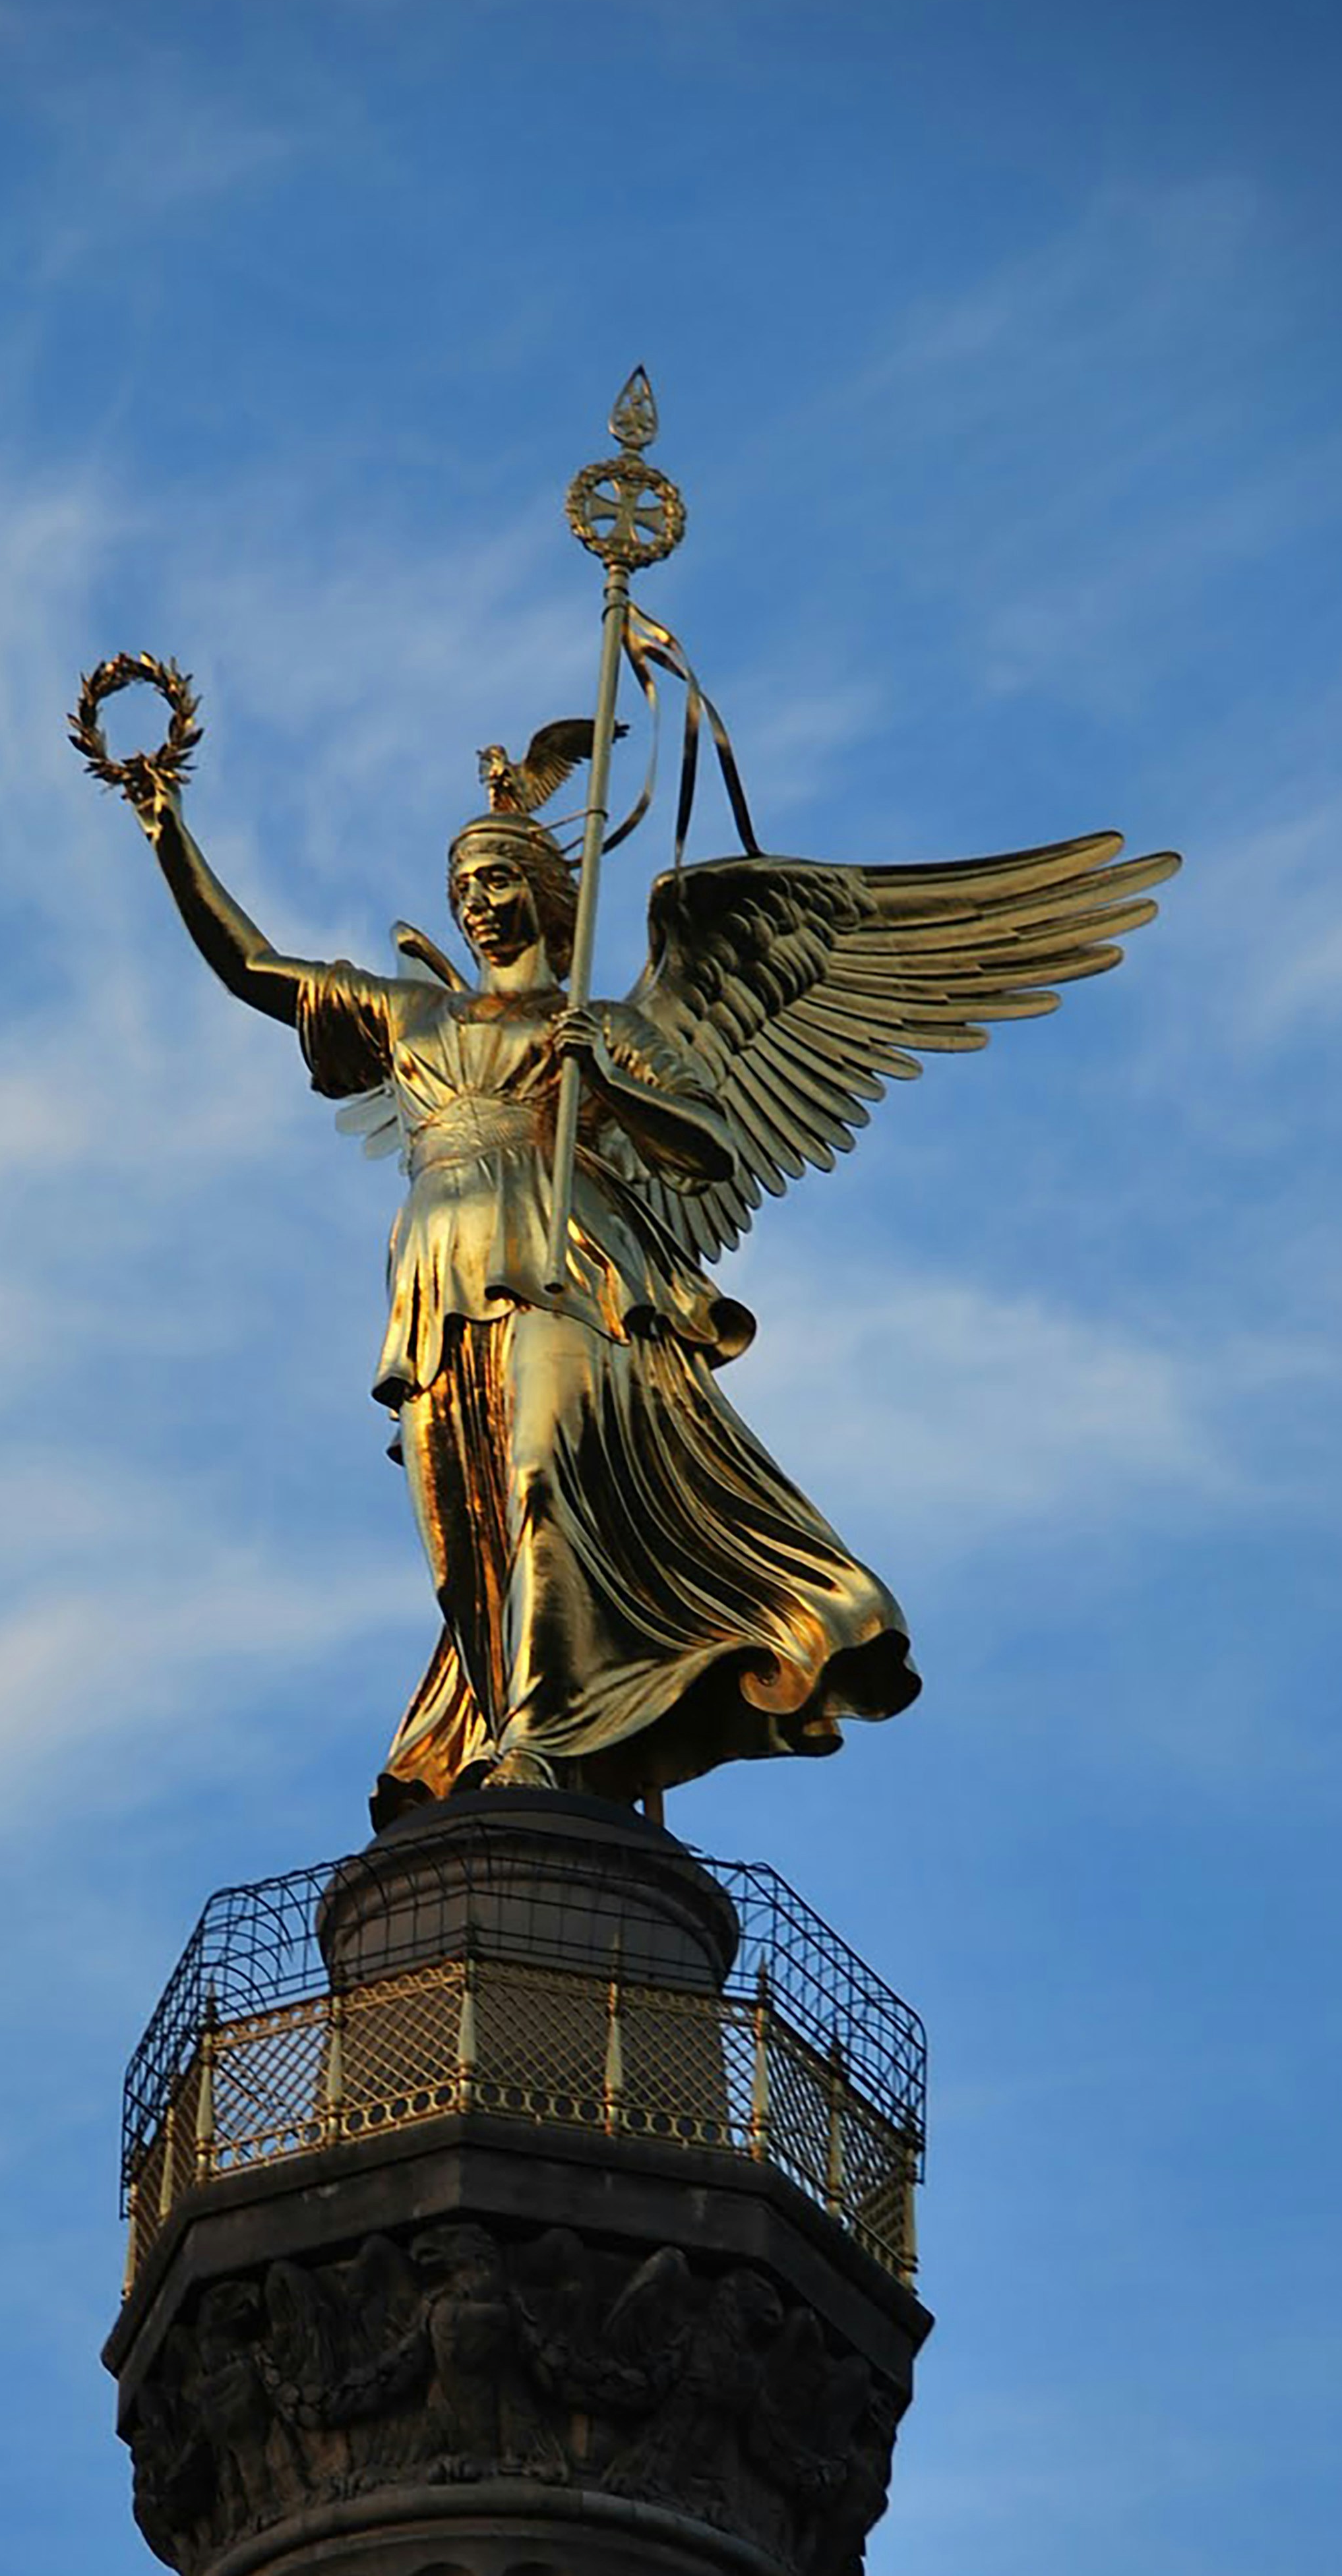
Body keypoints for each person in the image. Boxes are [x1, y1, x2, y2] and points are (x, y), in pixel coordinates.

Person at [133, 773, 919, 1826]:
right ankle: (503, 1717)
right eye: (462, 881)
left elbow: (706, 1150)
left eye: (497, 875)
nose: (474, 898)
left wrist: (610, 1082)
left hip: (570, 1271)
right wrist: (166, 830)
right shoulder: (412, 1014)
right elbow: (251, 969)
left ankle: (538, 1741)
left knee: (545, 1476)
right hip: (436, 1282)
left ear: (548, 896)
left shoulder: (600, 1028)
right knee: (471, 1536)